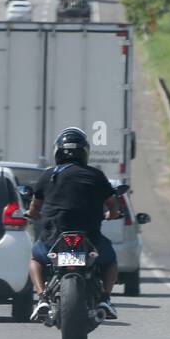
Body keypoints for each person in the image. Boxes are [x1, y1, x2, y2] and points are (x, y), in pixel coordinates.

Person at [26, 127, 121, 322]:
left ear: (57, 152)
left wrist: (33, 214)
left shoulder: (48, 175)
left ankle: (42, 297)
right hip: (89, 238)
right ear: (84, 152)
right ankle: (105, 298)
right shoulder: (96, 175)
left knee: (35, 258)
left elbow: (35, 206)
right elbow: (113, 205)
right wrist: (111, 214)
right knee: (110, 260)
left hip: (53, 237)